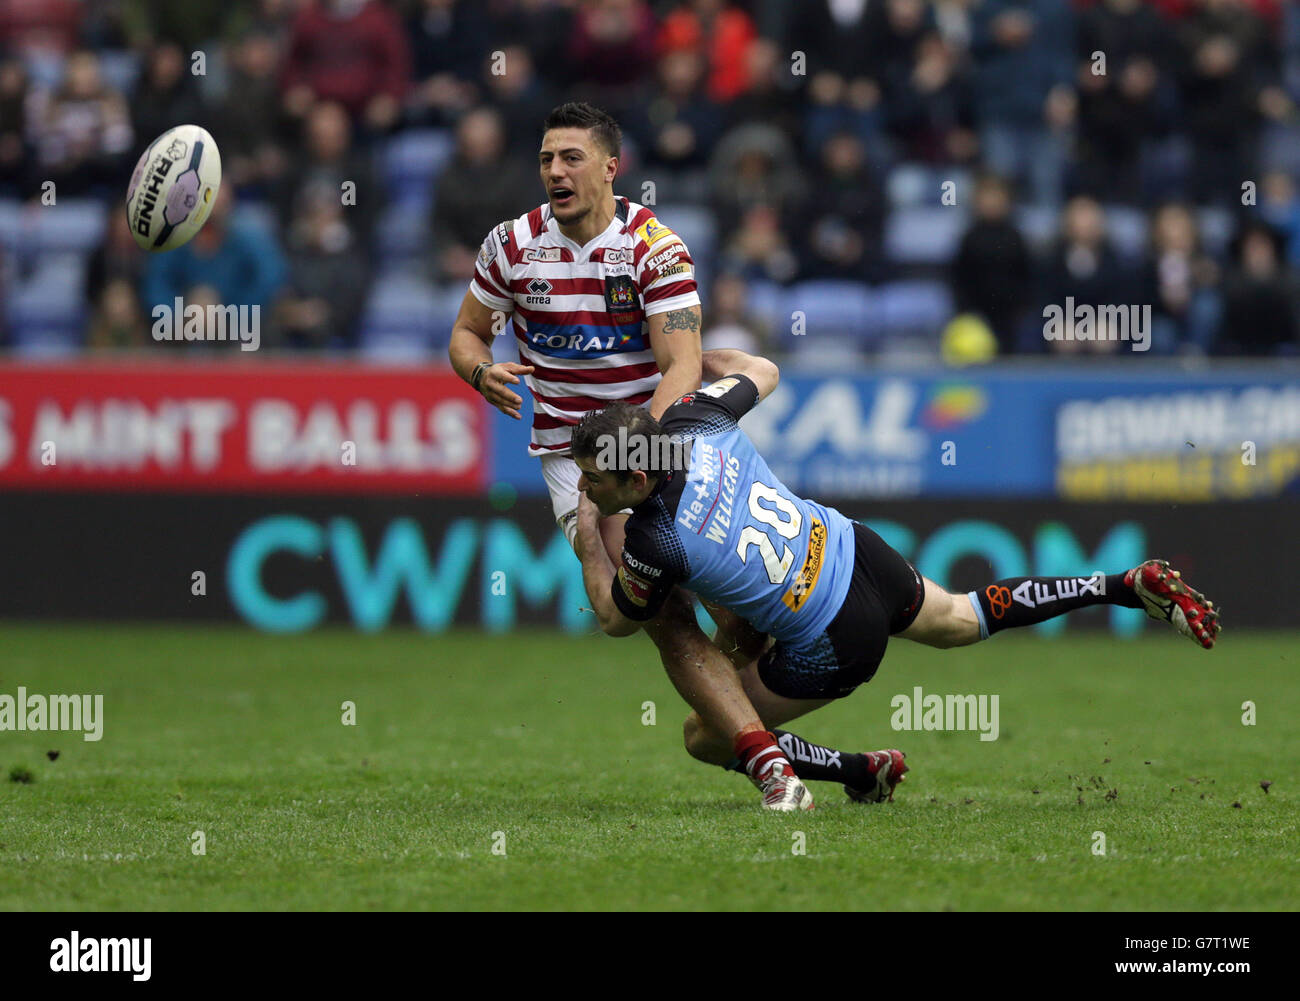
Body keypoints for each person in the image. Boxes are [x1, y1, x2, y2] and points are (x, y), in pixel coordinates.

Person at [569, 348, 1221, 810]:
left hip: (832, 637)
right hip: (858, 551)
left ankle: (854, 769)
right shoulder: (693, 422)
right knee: (965, 616)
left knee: (706, 734)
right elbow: (760, 369)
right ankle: (1120, 584)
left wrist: (585, 536)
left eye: (594, 478)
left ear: (634, 477)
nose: (587, 486)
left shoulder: (654, 540)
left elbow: (616, 618)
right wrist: (694, 355)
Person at [447, 102, 806, 810]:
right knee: (658, 611)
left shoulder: (654, 247)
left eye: (571, 157)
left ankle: (812, 758)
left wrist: (634, 441)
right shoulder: (511, 246)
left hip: (658, 443)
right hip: (573, 463)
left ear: (612, 168)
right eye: (548, 158)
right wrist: (478, 370)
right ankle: (774, 770)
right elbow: (465, 333)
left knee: (738, 619)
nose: (555, 170)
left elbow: (682, 364)